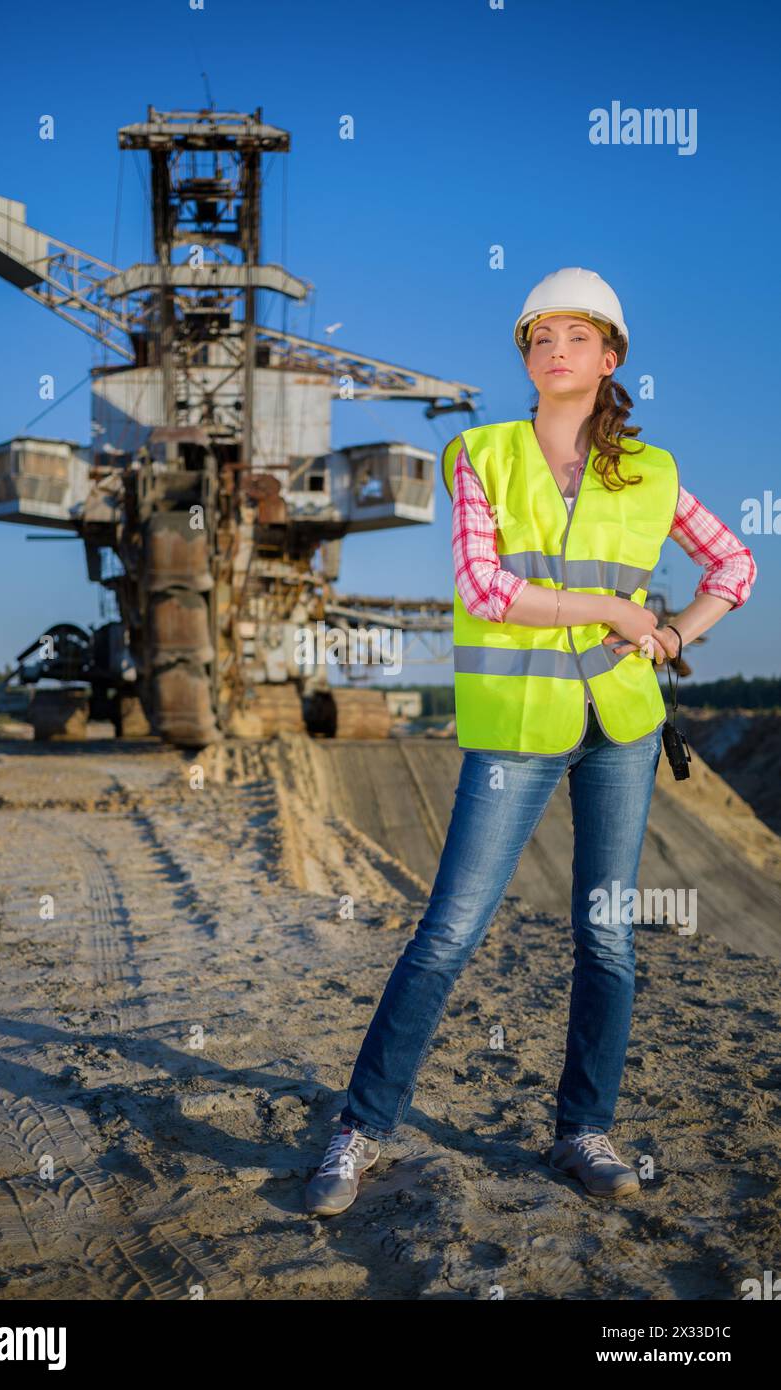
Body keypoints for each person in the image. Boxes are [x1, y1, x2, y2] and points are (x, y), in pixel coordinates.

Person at [304, 267, 756, 1216]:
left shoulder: (653, 473)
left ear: (610, 356)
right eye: (539, 336)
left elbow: (736, 562)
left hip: (622, 730)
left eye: (576, 337)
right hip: (515, 728)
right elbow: (483, 588)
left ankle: (582, 1130)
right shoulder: (484, 453)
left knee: (607, 937)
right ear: (526, 355)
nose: (556, 350)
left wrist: (672, 637)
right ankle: (362, 1127)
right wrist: (612, 610)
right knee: (448, 934)